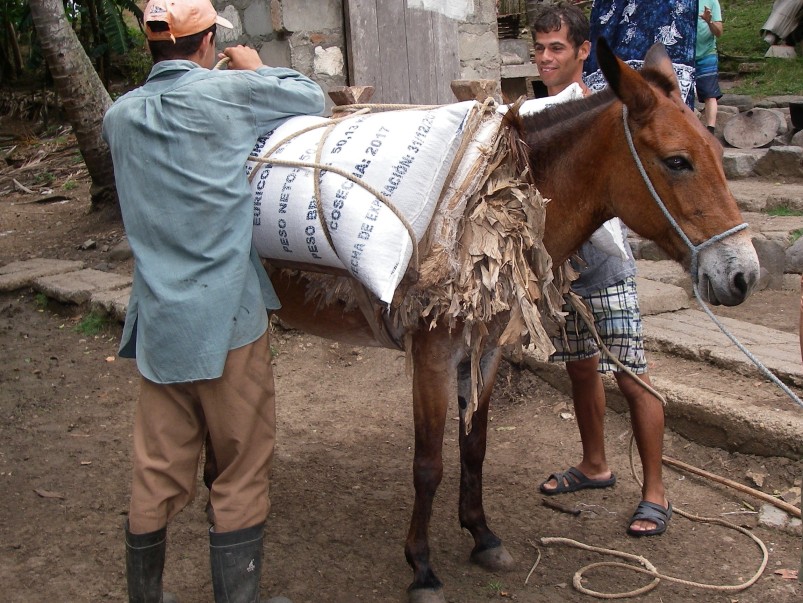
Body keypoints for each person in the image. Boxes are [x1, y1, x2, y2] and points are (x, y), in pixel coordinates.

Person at [101, 0, 325, 600]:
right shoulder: (225, 96)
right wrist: (252, 69)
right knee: (242, 466)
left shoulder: (118, 116)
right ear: (206, 45)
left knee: (156, 468)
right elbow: (314, 100)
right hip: (228, 321)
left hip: (159, 323)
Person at [531, 2, 672, 537]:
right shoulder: (535, 107)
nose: (546, 58)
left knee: (633, 376)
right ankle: (595, 465)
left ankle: (656, 492)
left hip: (605, 265)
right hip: (563, 269)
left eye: (557, 48)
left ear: (583, 52)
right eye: (540, 48)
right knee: (580, 367)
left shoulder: (591, 110)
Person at [696, 0, 724, 133]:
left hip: (707, 53)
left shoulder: (712, 2)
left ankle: (710, 130)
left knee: (710, 94)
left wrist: (709, 21)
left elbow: (719, 32)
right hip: (683, 55)